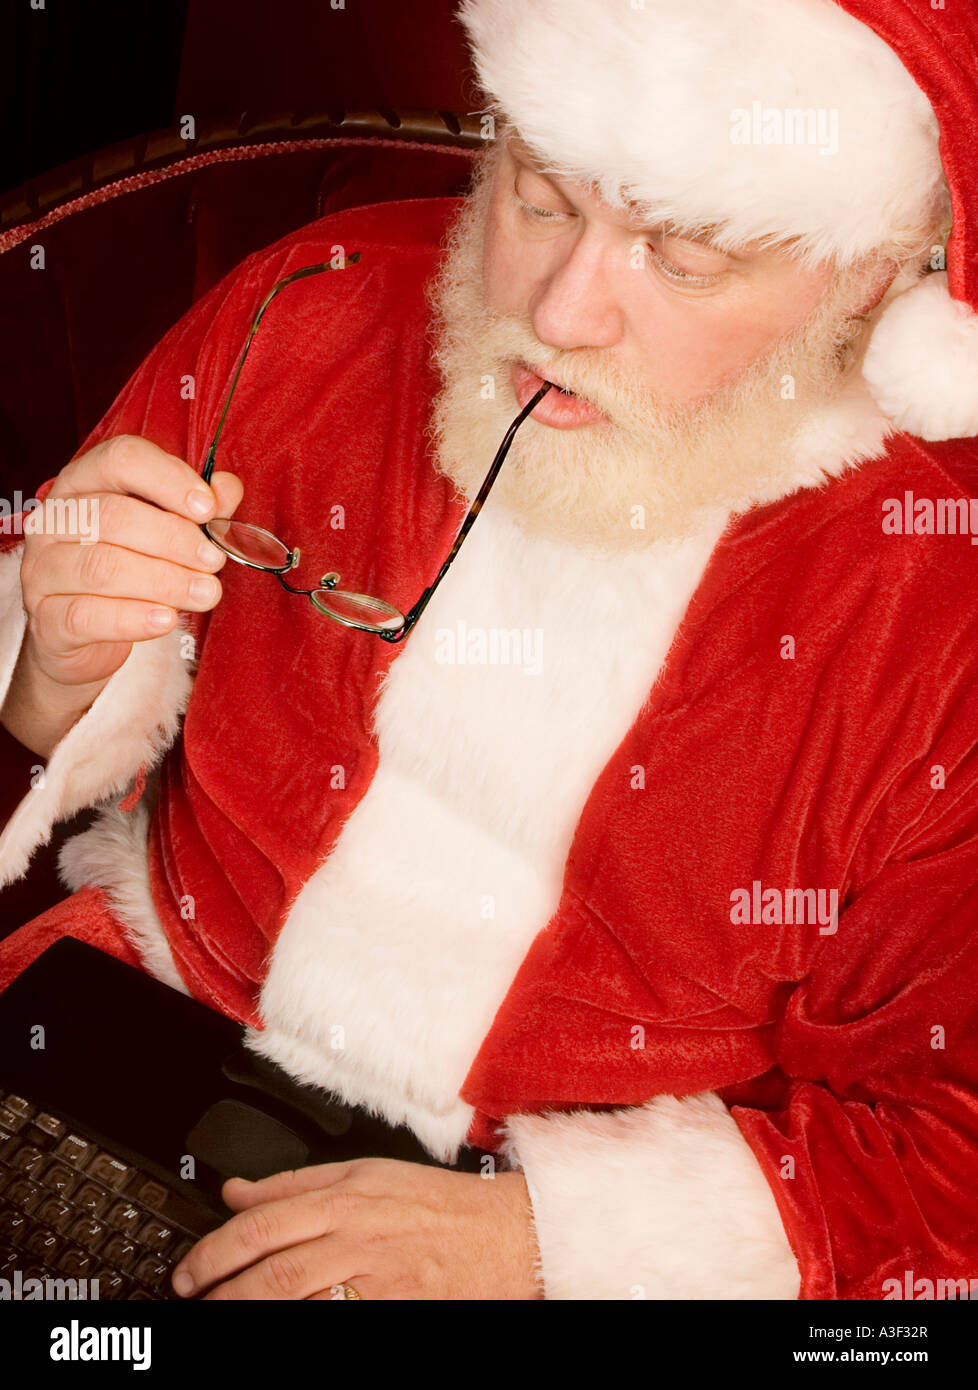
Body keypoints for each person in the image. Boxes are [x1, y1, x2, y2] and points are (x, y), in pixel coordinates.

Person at [1, 0, 977, 1300]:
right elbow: (56, 751)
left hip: (535, 1220)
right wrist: (46, 677)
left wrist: (539, 1241)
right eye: (539, 194)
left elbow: (944, 1159)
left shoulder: (938, 612)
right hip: (134, 1020)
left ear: (874, 276)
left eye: (683, 260)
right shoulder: (314, 303)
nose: (562, 310)